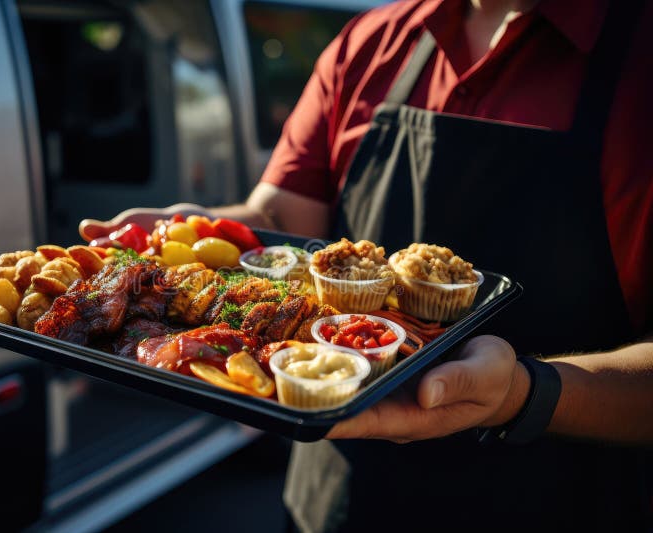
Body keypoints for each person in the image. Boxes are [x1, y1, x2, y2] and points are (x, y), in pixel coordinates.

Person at [82, 0, 653, 530]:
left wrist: (524, 394)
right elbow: (283, 216)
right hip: (338, 496)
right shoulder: (370, 42)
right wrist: (190, 229)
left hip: (551, 496)